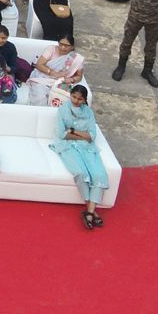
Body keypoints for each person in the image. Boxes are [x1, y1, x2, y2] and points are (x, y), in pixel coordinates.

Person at [50, 85, 109, 229]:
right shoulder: (63, 110)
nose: (76, 101)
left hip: (86, 147)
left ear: (84, 100)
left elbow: (92, 136)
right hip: (66, 146)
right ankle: (91, 211)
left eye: (80, 99)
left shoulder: (88, 113)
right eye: (74, 97)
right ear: (70, 95)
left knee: (99, 174)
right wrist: (81, 135)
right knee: (81, 173)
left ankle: (88, 212)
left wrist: (74, 131)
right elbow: (62, 134)